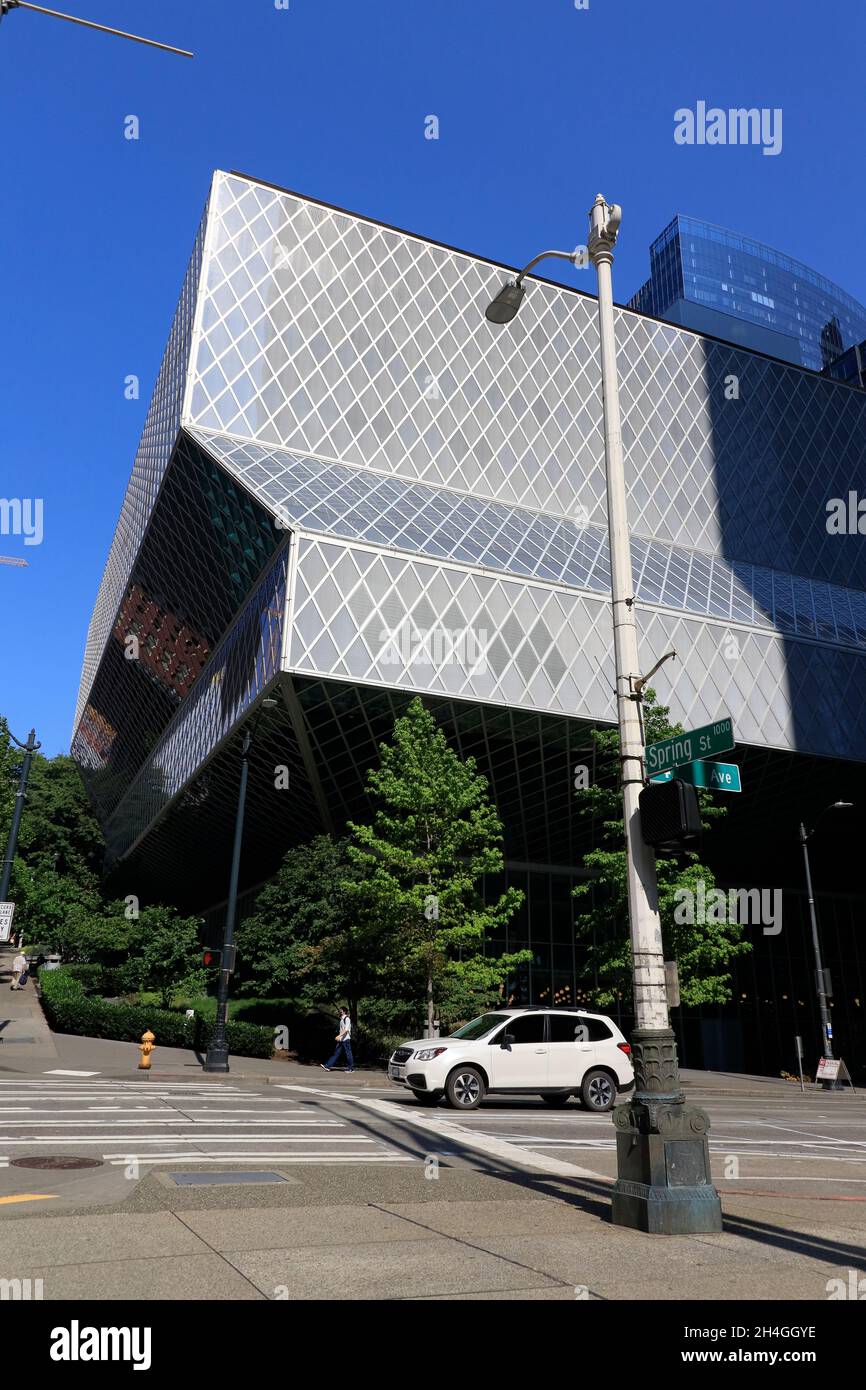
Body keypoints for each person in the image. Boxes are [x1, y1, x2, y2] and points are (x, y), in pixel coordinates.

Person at [321, 1006, 354, 1073]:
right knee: (336, 1053)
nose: (340, 1011)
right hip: (341, 1039)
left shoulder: (347, 1019)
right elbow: (342, 1029)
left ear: (344, 1011)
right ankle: (327, 1066)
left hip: (346, 1039)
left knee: (348, 1054)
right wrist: (340, 1037)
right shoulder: (342, 1019)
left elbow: (346, 1030)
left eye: (341, 1010)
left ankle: (351, 1069)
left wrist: (339, 1036)